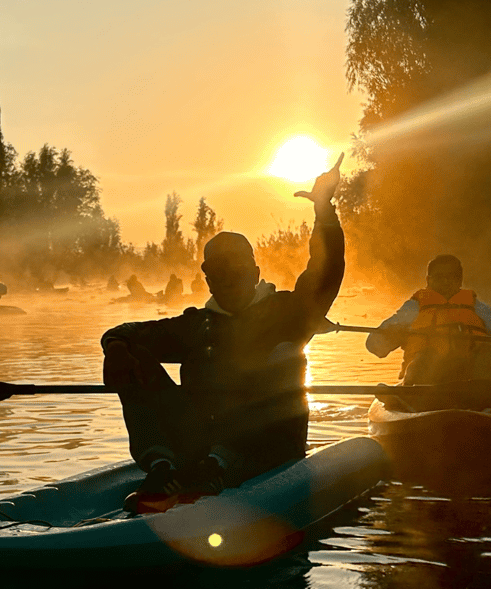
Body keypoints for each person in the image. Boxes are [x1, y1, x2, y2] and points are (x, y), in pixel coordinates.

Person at [101, 155, 345, 513]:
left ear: (254, 270)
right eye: (217, 270)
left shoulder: (290, 312)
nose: (227, 277)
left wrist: (324, 210)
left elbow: (326, 270)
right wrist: (116, 346)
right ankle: (163, 467)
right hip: (196, 448)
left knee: (280, 358)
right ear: (207, 277)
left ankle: (218, 465)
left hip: (267, 448)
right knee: (130, 353)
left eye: (236, 268)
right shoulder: (195, 325)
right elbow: (124, 331)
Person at [365, 255, 491, 386]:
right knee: (427, 355)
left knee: (487, 352)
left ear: (459, 281)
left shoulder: (474, 306)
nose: (445, 282)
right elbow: (374, 345)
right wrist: (390, 335)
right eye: (439, 277)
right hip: (424, 382)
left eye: (451, 277)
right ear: (428, 280)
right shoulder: (414, 307)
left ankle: (487, 402)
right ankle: (420, 401)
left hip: (468, 378)